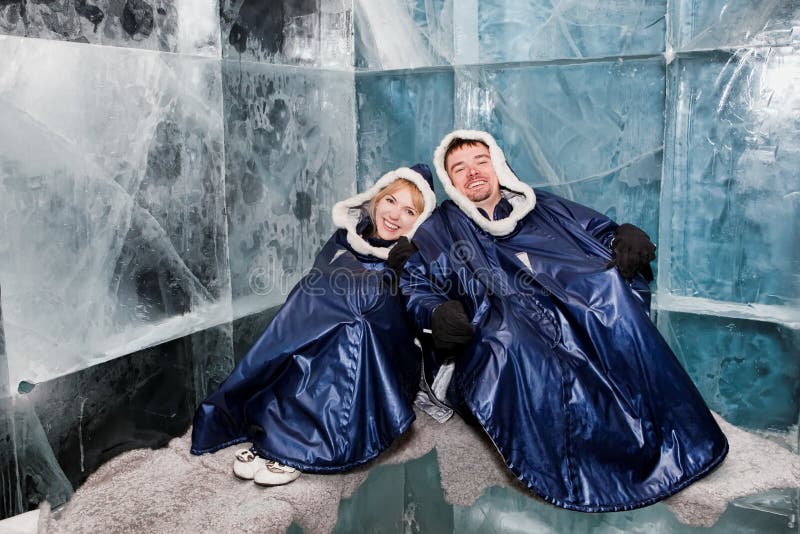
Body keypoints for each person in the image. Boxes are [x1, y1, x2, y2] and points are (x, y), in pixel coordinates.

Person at [401, 130, 728, 512]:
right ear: (449, 181)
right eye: (459, 168)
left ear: (498, 165)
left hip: (567, 304)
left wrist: (623, 234)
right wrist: (436, 312)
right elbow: (415, 282)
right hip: (497, 320)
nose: (472, 172)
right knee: (514, 346)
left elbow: (593, 229)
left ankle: (668, 436)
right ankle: (586, 468)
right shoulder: (440, 229)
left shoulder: (539, 205)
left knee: (608, 297)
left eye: (480, 161)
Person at [191, 165, 436, 486]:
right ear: (376, 200)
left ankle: (299, 444)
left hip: (384, 347)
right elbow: (319, 281)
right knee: (307, 305)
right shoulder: (346, 238)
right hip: (326, 325)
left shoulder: (414, 257)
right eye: (391, 201)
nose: (395, 215)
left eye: (409, 211)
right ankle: (277, 429)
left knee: (352, 326)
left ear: (420, 221)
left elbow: (419, 302)